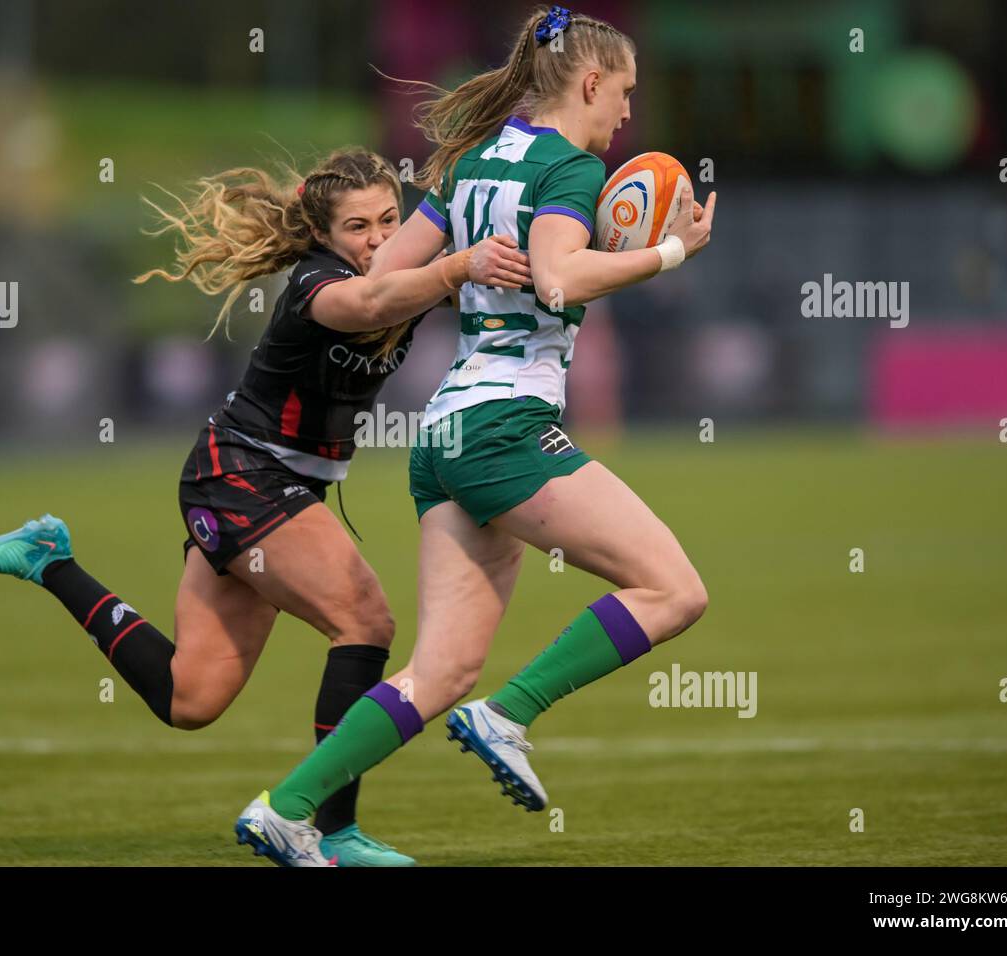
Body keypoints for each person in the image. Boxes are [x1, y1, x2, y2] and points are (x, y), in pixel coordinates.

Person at [0, 148, 530, 867]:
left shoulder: (398, 274)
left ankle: (49, 560)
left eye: (387, 220)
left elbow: (490, 282)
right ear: (323, 235)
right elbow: (373, 304)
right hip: (241, 473)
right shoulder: (320, 282)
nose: (377, 238)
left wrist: (605, 239)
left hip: (273, 485)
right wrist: (457, 266)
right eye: (357, 227)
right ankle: (330, 832)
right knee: (366, 619)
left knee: (191, 697)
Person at [233, 6, 715, 866]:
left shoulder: (472, 163)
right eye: (625, 95)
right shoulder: (569, 167)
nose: (627, 117)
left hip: (444, 432)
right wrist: (669, 255)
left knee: (440, 672)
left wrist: (462, 271)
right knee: (674, 590)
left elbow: (379, 275)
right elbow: (562, 280)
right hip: (505, 428)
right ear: (591, 83)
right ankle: (511, 712)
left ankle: (290, 807)